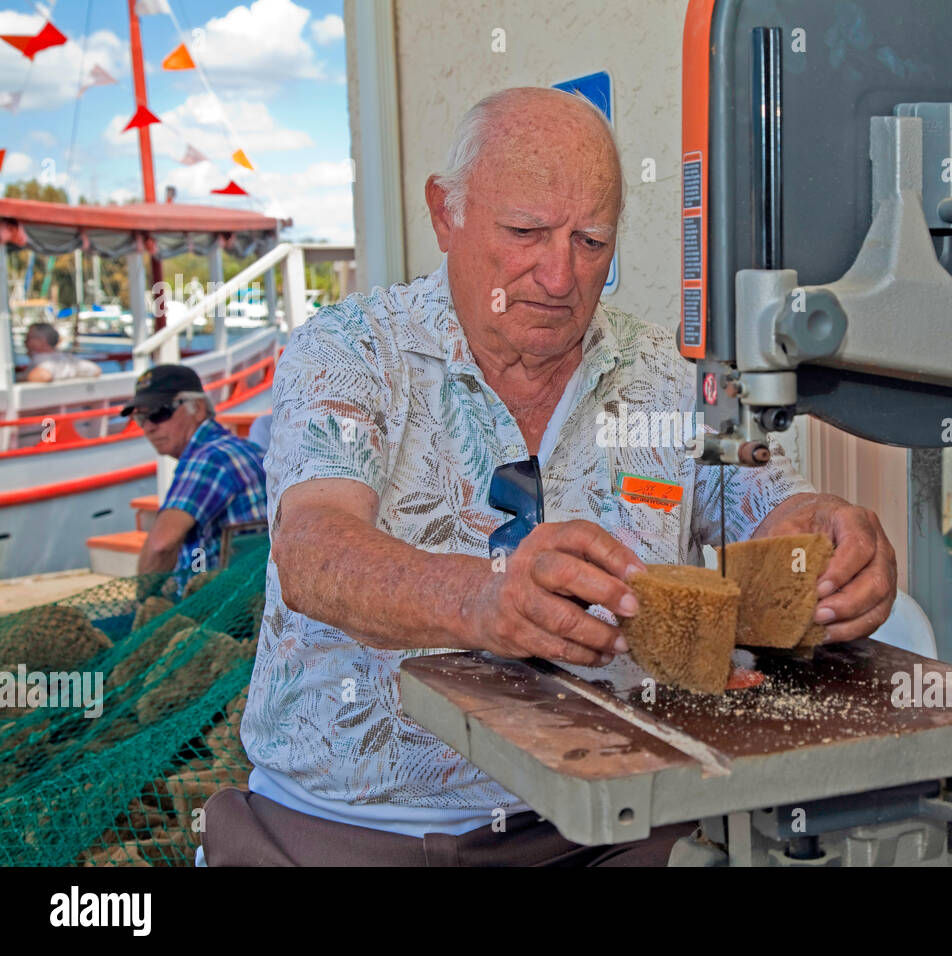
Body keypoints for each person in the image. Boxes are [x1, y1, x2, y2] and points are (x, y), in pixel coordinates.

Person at [203, 87, 897, 867]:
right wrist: (482, 598)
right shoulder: (353, 350)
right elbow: (315, 553)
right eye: (526, 232)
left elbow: (771, 506)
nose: (561, 276)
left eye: (592, 241)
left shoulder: (664, 374)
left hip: (613, 817)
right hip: (357, 826)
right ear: (445, 213)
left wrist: (828, 538)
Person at [120, 364, 268, 592]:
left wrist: (142, 606)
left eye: (159, 412)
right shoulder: (245, 448)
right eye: (140, 417)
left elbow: (161, 545)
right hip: (251, 596)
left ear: (198, 408)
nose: (148, 427)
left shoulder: (209, 458)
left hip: (221, 607)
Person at [21, 322, 101, 382]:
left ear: (42, 341)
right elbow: (96, 370)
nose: (25, 342)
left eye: (28, 338)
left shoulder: (42, 360)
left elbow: (44, 376)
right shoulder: (67, 359)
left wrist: (21, 378)